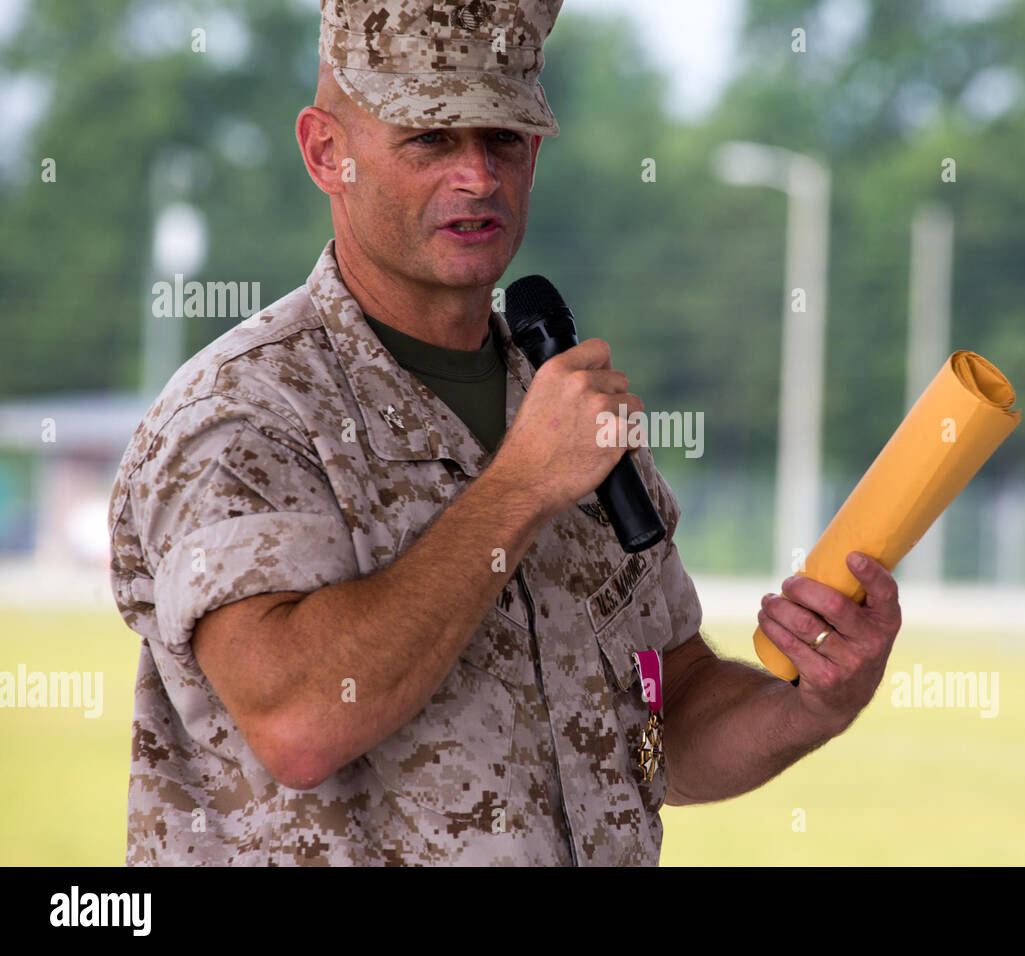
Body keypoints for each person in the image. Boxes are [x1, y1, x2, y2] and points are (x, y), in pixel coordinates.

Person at [107, 0, 903, 866]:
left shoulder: (562, 401)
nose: (478, 177)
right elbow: (298, 721)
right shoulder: (242, 413)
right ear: (326, 152)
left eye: (505, 139)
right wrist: (521, 485)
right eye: (430, 140)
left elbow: (660, 723)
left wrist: (810, 702)